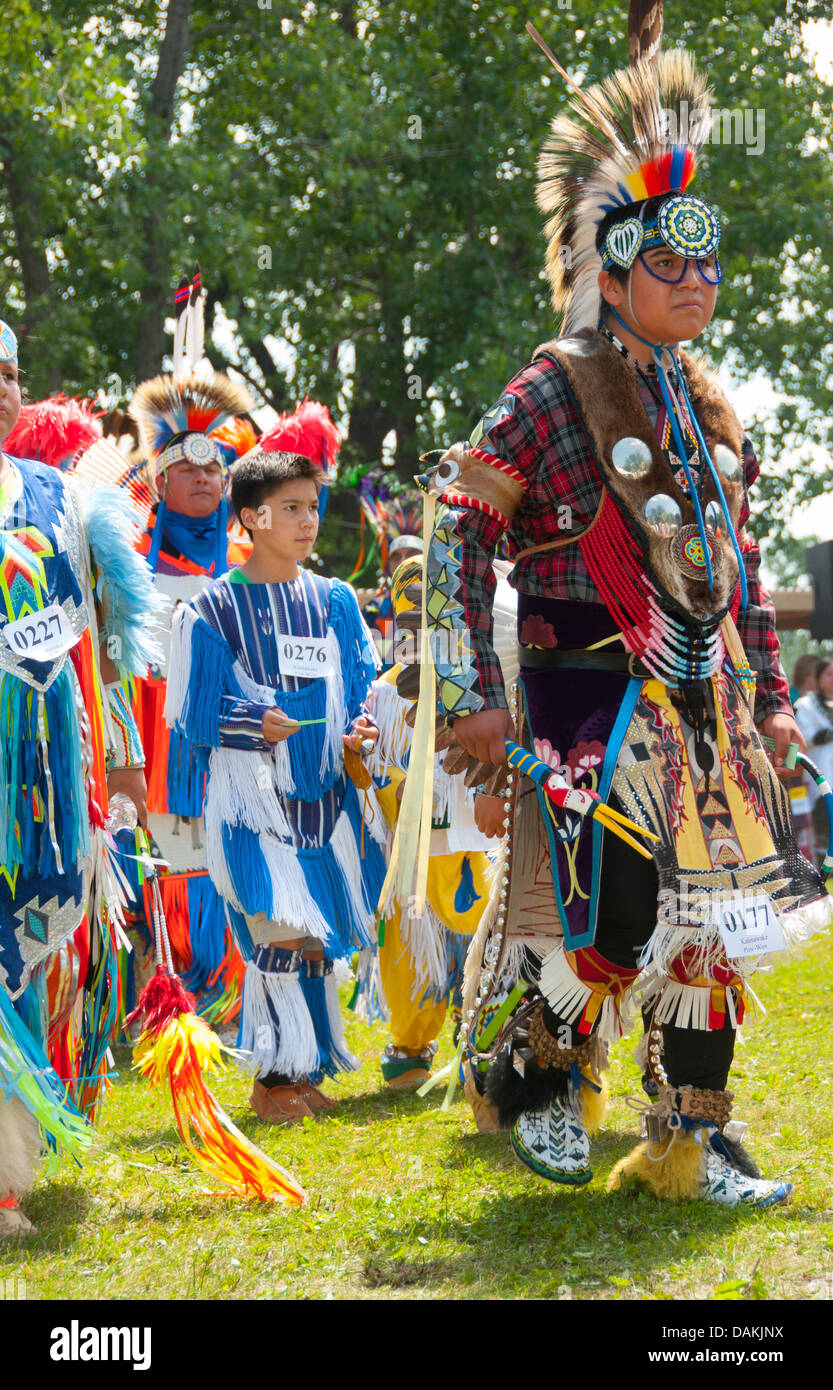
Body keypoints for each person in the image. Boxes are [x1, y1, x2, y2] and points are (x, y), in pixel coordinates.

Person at [417, 16, 830, 1207]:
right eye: (666, 264)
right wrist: (469, 697)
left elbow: (730, 573)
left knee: (704, 930)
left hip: (701, 701)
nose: (693, 285)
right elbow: (458, 526)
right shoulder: (556, 385)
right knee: (611, 915)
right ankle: (536, 1074)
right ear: (610, 272)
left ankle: (691, 1140)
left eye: (708, 268)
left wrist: (764, 706)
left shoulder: (705, 408)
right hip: (585, 693)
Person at [166, 439, 386, 1123]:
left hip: (327, 793)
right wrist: (250, 721)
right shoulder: (209, 610)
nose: (306, 520)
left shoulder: (335, 600)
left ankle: (308, 1065)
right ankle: (273, 1078)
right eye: (289, 507)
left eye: (312, 507)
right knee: (278, 928)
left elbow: (360, 687)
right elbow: (192, 714)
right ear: (251, 519)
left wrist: (364, 730)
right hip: (252, 797)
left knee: (317, 934)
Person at [0, 320, 161, 1235]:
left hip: (44, 776)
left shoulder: (61, 497)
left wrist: (125, 768)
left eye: (10, 373)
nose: (0, 387)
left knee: (20, 947)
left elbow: (105, 644)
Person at [365, 556, 499, 1090]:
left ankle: (486, 1036)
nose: (420, 633)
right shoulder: (384, 691)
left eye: (432, 619)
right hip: (415, 846)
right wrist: (375, 763)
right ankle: (410, 1042)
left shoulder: (480, 680)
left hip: (478, 833)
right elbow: (376, 768)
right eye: (409, 622)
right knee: (410, 941)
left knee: (489, 937)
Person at [795, 659, 833, 865]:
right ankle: (826, 864)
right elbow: (804, 738)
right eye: (829, 674)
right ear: (818, 679)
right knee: (825, 822)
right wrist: (823, 735)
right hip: (821, 772)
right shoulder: (806, 705)